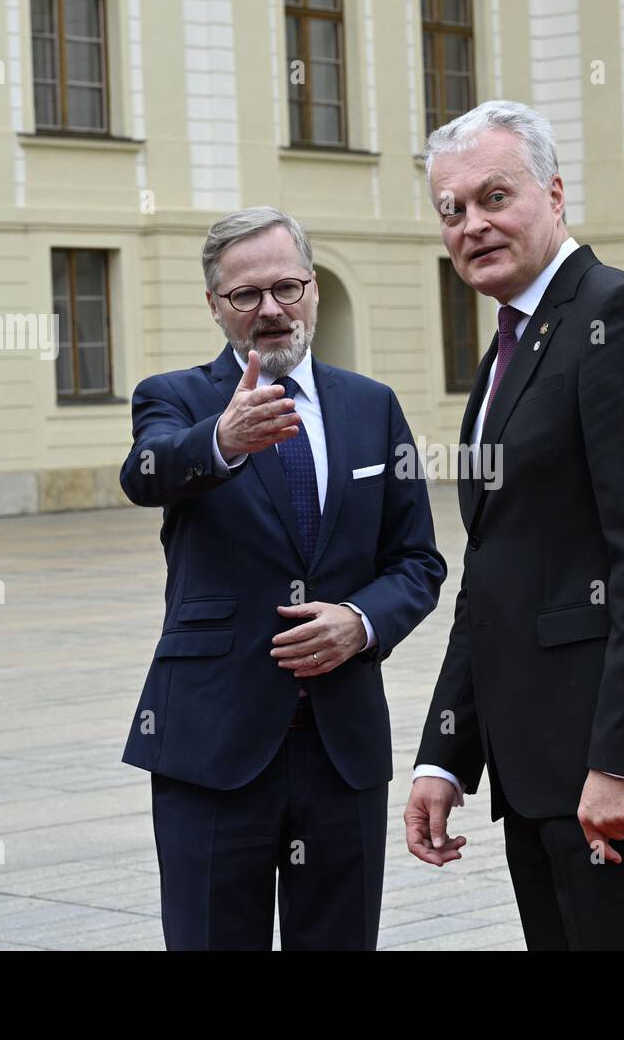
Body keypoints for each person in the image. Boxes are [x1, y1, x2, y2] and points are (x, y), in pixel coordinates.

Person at [404, 102, 624, 950]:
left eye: (494, 196)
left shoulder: (619, 317)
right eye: (452, 210)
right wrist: (447, 753)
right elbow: (495, 570)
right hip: (540, 768)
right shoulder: (510, 346)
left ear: (553, 193)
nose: (472, 224)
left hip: (618, 770)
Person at [121, 207, 445, 950]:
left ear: (314, 290)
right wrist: (222, 441)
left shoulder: (373, 407)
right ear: (215, 306)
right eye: (246, 295)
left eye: (287, 286)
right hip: (212, 743)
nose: (271, 308)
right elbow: (145, 472)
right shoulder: (177, 400)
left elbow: (418, 562)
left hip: (341, 750)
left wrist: (360, 622)